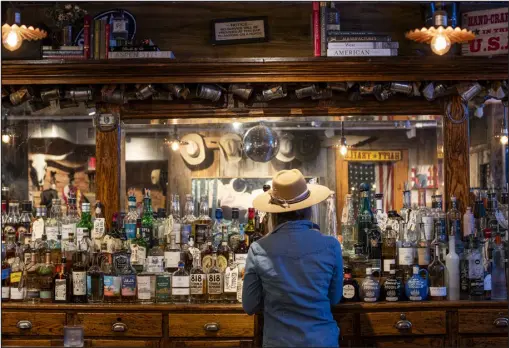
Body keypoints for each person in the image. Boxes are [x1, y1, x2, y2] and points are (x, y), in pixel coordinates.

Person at [242, 169, 343, 348]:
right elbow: (334, 298)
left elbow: (250, 305)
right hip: (322, 341)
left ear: (273, 212)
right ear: (308, 208)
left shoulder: (258, 249)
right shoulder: (331, 246)